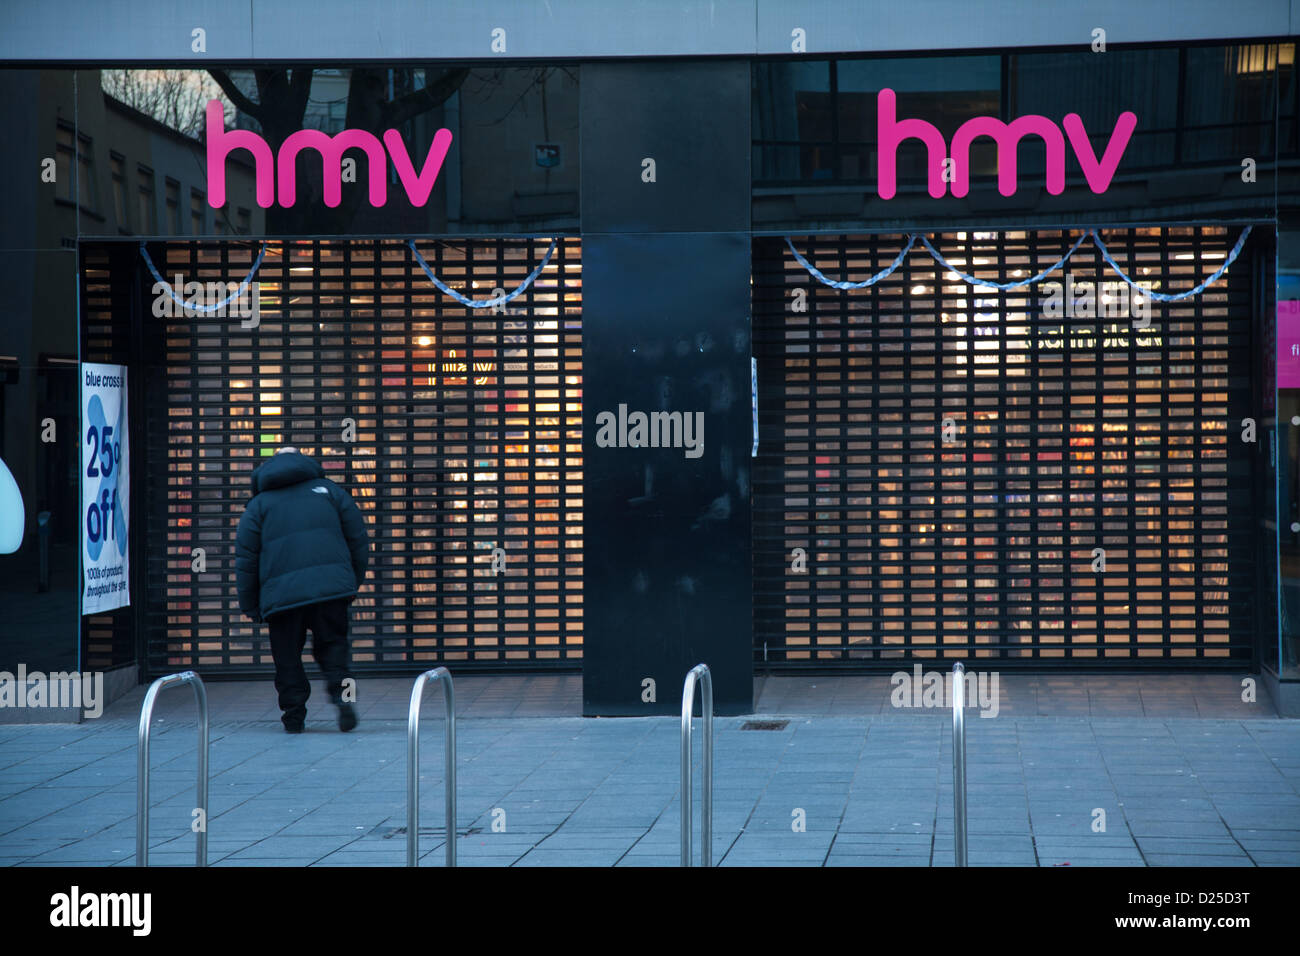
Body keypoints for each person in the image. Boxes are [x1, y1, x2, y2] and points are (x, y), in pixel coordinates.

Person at [235, 446, 370, 733]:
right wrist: (350, 582)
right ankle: (342, 700)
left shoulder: (259, 505)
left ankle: (294, 715)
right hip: (331, 592)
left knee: (287, 657)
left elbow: (246, 558)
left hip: (282, 598)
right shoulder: (330, 492)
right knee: (334, 648)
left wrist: (249, 604)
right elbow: (357, 538)